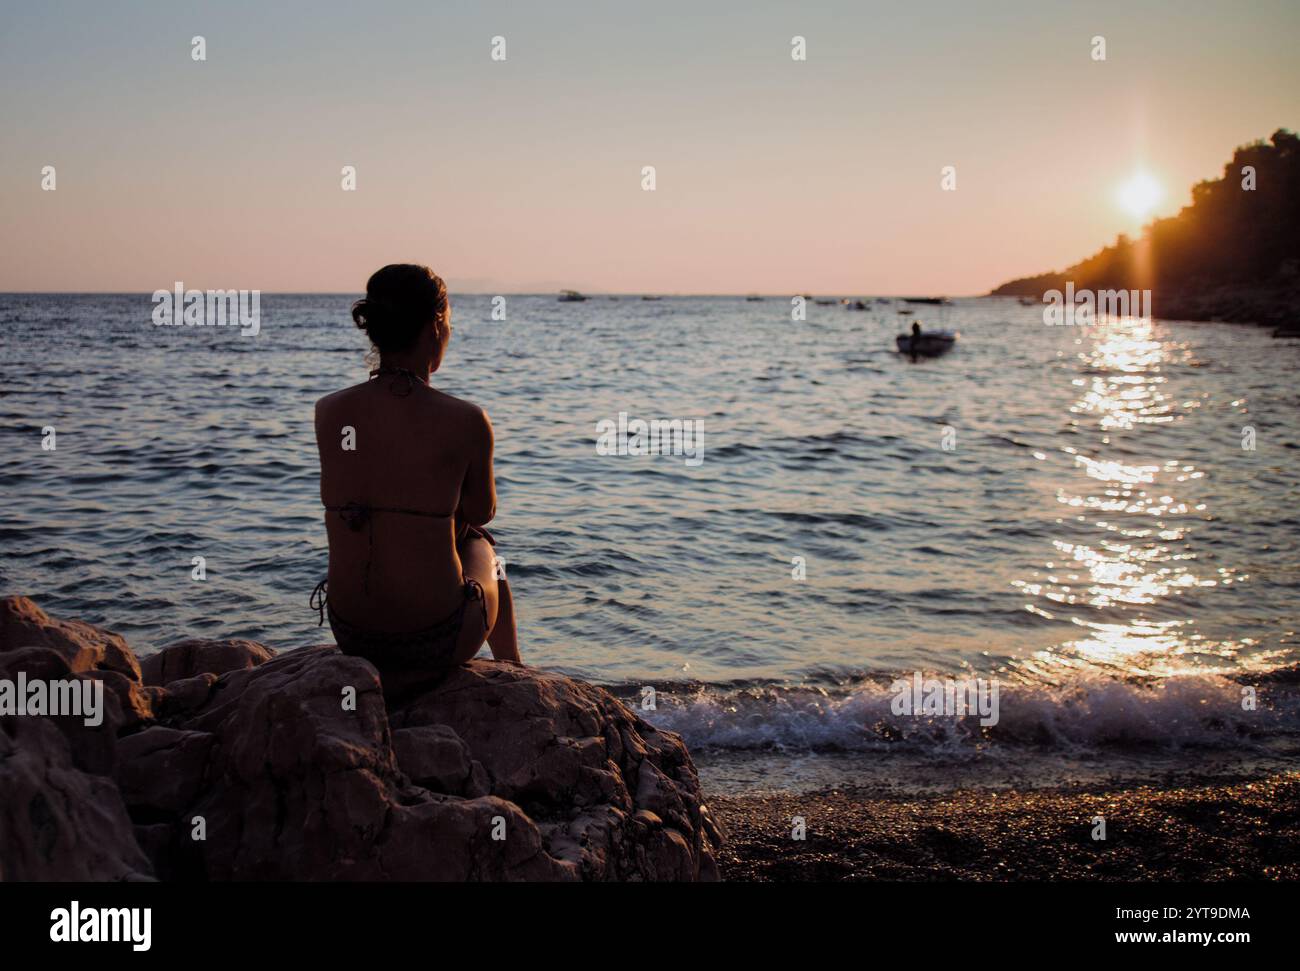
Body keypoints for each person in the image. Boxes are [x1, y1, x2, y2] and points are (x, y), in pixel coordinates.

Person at [311, 264, 521, 696]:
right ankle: (516, 674)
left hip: (352, 635)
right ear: (436, 324)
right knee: (482, 545)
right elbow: (482, 512)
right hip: (437, 640)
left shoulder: (329, 411)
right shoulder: (467, 419)